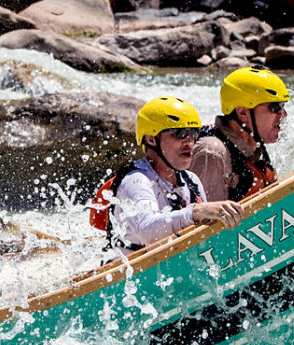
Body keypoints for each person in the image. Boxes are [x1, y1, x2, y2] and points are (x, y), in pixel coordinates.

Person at [90, 96, 245, 252]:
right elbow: (147, 230)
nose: (189, 141)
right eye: (179, 133)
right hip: (133, 270)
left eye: (193, 133)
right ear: (151, 139)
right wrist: (196, 211)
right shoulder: (136, 180)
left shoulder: (191, 180)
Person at [190, 65, 289, 204]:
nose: (284, 114)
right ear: (242, 113)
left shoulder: (253, 148)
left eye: (283, 106)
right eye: (275, 107)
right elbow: (209, 224)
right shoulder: (212, 152)